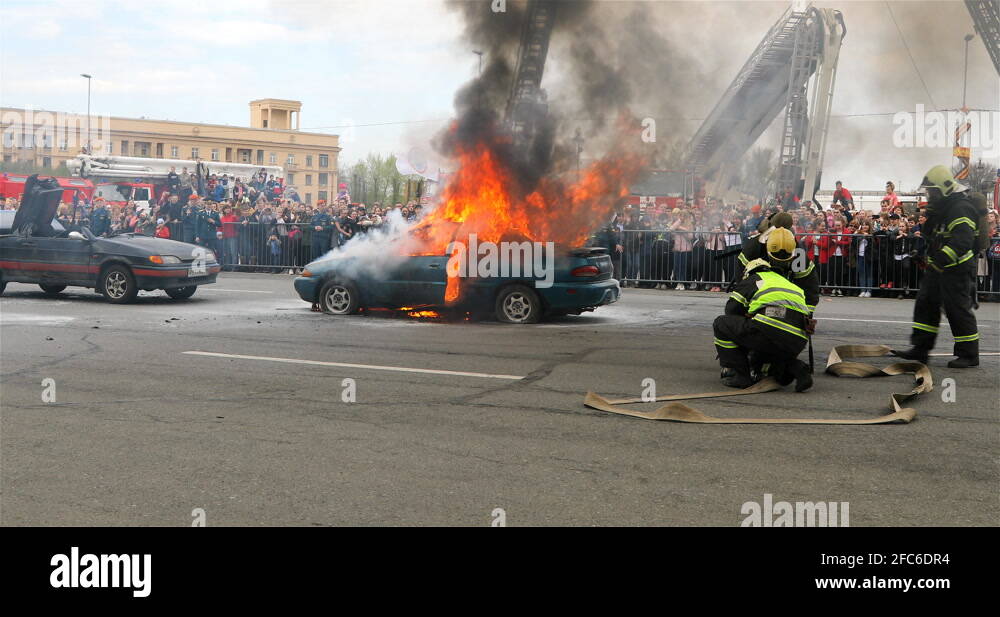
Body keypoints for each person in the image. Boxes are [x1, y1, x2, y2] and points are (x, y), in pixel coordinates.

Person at [894, 165, 980, 368]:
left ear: (944, 189)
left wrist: (941, 260)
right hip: (938, 268)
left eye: (932, 191)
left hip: (956, 268)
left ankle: (969, 354)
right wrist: (930, 217)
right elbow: (932, 236)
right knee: (926, 305)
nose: (930, 195)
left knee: (957, 309)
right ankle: (920, 349)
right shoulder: (942, 208)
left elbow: (962, 241)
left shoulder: (961, 208)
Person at [712, 228, 814, 391]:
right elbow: (810, 293)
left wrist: (746, 319)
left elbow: (731, 310)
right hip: (798, 339)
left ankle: (741, 375)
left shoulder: (755, 279)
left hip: (770, 331)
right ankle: (796, 367)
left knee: (721, 324)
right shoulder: (788, 283)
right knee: (772, 346)